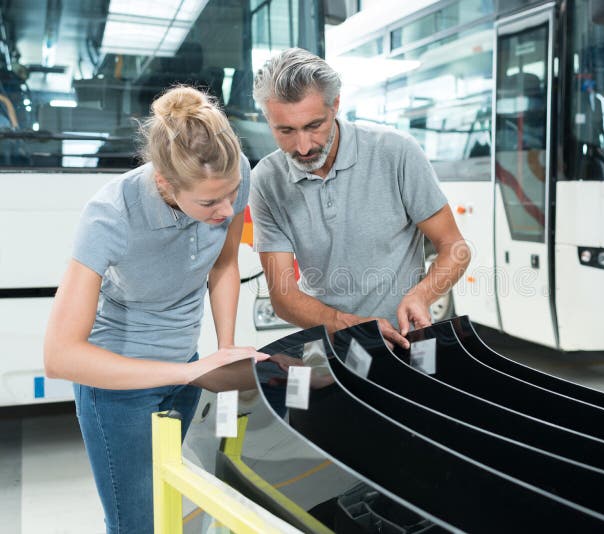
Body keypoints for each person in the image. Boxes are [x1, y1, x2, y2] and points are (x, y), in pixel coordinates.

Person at [43, 86, 264, 534]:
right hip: (119, 388)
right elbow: (60, 356)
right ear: (164, 182)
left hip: (186, 369)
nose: (226, 211)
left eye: (232, 195)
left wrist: (223, 354)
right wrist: (192, 373)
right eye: (208, 203)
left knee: (172, 510)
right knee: (137, 524)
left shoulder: (232, 172)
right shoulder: (109, 214)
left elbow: (224, 263)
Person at [249, 48, 470, 348]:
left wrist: (422, 295)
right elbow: (284, 297)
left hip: (406, 341)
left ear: (335, 105)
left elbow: (455, 247)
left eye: (314, 126)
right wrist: (353, 326)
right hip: (326, 347)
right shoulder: (266, 180)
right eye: (285, 130)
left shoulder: (396, 152)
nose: (302, 147)